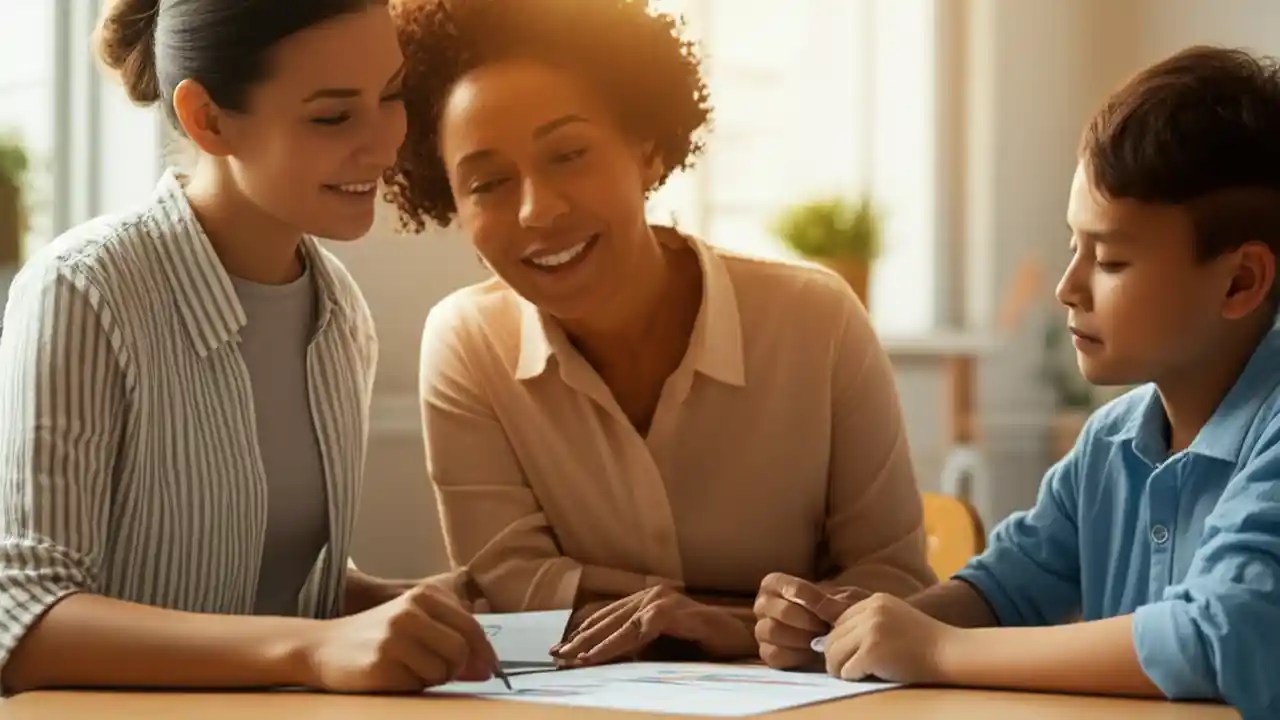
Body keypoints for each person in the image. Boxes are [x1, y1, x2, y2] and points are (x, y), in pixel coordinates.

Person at [385, 0, 935, 667]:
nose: (537, 209)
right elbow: (509, 588)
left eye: (569, 154)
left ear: (645, 148)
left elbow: (894, 581)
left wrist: (727, 628)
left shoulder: (816, 321)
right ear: (450, 200)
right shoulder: (467, 343)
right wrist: (738, 612)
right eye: (489, 183)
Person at [761, 46, 1280, 716]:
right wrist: (858, 627)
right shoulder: (1112, 442)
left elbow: (1224, 634)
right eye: (1074, 247)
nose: (1068, 289)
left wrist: (938, 650)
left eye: (1112, 260)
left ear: (1240, 281)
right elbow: (1004, 591)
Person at [0, 0, 496, 694]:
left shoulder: (341, 316)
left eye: (391, 95)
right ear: (208, 119)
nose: (384, 145)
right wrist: (314, 650)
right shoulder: (85, 292)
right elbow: (24, 621)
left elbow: (243, 576)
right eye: (332, 116)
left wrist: (402, 603)